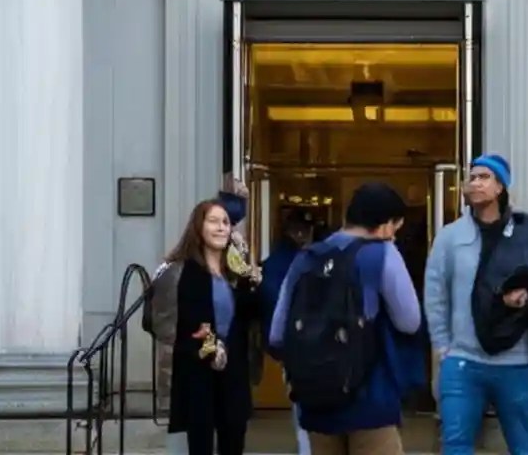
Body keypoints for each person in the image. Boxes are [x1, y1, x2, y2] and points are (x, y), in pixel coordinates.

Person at [424, 154, 528, 455]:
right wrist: (443, 346)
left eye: (485, 177)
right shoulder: (450, 237)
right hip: (463, 362)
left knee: (524, 447)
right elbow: (435, 293)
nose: (475, 183)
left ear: (500, 188)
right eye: (472, 177)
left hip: (515, 363)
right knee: (455, 445)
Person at [269, 182, 423, 455]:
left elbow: (277, 335)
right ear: (386, 224)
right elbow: (409, 321)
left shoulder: (305, 258)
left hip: (315, 399)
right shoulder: (383, 254)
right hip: (371, 399)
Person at [143, 197, 262, 455]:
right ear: (198, 227)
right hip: (196, 370)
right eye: (213, 221)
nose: (221, 228)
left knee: (234, 439)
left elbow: (252, 316)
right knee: (200, 443)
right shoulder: (178, 271)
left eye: (226, 223)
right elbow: (160, 322)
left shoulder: (235, 274)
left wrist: (252, 277)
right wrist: (204, 344)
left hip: (233, 370)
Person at [259, 208, 317, 455]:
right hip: (298, 343)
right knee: (304, 405)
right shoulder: (280, 262)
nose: (302, 234)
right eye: (297, 229)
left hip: (310, 341)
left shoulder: (315, 257)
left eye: (306, 229)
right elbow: (274, 301)